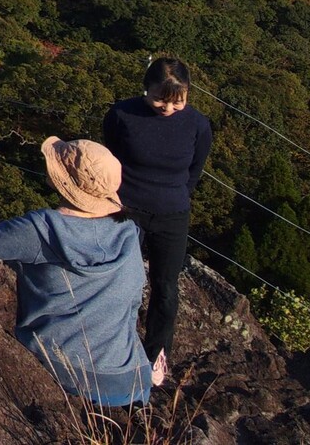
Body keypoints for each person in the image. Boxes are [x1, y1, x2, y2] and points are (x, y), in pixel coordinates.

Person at [0, 137, 153, 409]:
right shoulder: (128, 232)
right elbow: (132, 303)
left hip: (71, 375)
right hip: (133, 379)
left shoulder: (44, 229)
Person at [102, 57, 213, 386]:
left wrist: (176, 195)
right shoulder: (122, 114)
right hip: (127, 208)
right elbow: (112, 158)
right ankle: (114, 345)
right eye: (160, 99)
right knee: (123, 280)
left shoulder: (198, 124)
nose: (168, 107)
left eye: (178, 100)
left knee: (165, 288)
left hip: (172, 212)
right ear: (145, 88)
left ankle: (155, 353)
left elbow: (195, 170)